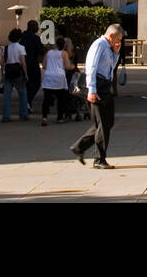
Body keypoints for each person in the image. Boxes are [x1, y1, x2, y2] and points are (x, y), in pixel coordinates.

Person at [71, 24, 124, 169]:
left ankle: (79, 147)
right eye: (118, 39)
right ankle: (99, 159)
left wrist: (116, 53)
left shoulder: (108, 47)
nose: (119, 42)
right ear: (111, 36)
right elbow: (91, 67)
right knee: (102, 123)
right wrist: (92, 89)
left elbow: (111, 68)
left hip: (104, 85)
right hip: (97, 86)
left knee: (107, 122)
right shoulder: (99, 45)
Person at [39, 36, 75, 125]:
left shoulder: (49, 53)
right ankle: (59, 117)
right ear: (64, 45)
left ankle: (44, 117)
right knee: (61, 98)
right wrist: (72, 67)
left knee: (46, 99)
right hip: (59, 77)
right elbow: (67, 66)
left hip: (49, 77)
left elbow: (43, 65)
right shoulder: (64, 53)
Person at [1, 28, 30, 122]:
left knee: (7, 95)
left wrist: (2, 74)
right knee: (23, 93)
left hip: (8, 72)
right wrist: (26, 74)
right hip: (18, 72)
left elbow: (2, 62)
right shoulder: (21, 48)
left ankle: (6, 116)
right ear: (19, 38)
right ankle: (23, 113)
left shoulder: (5, 48)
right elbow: (23, 62)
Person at [20, 19, 44, 107]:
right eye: (36, 26)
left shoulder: (22, 36)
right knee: (36, 82)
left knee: (25, 84)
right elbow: (40, 51)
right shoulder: (36, 38)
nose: (38, 28)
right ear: (33, 27)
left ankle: (26, 101)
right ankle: (28, 100)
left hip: (23, 63)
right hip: (33, 63)